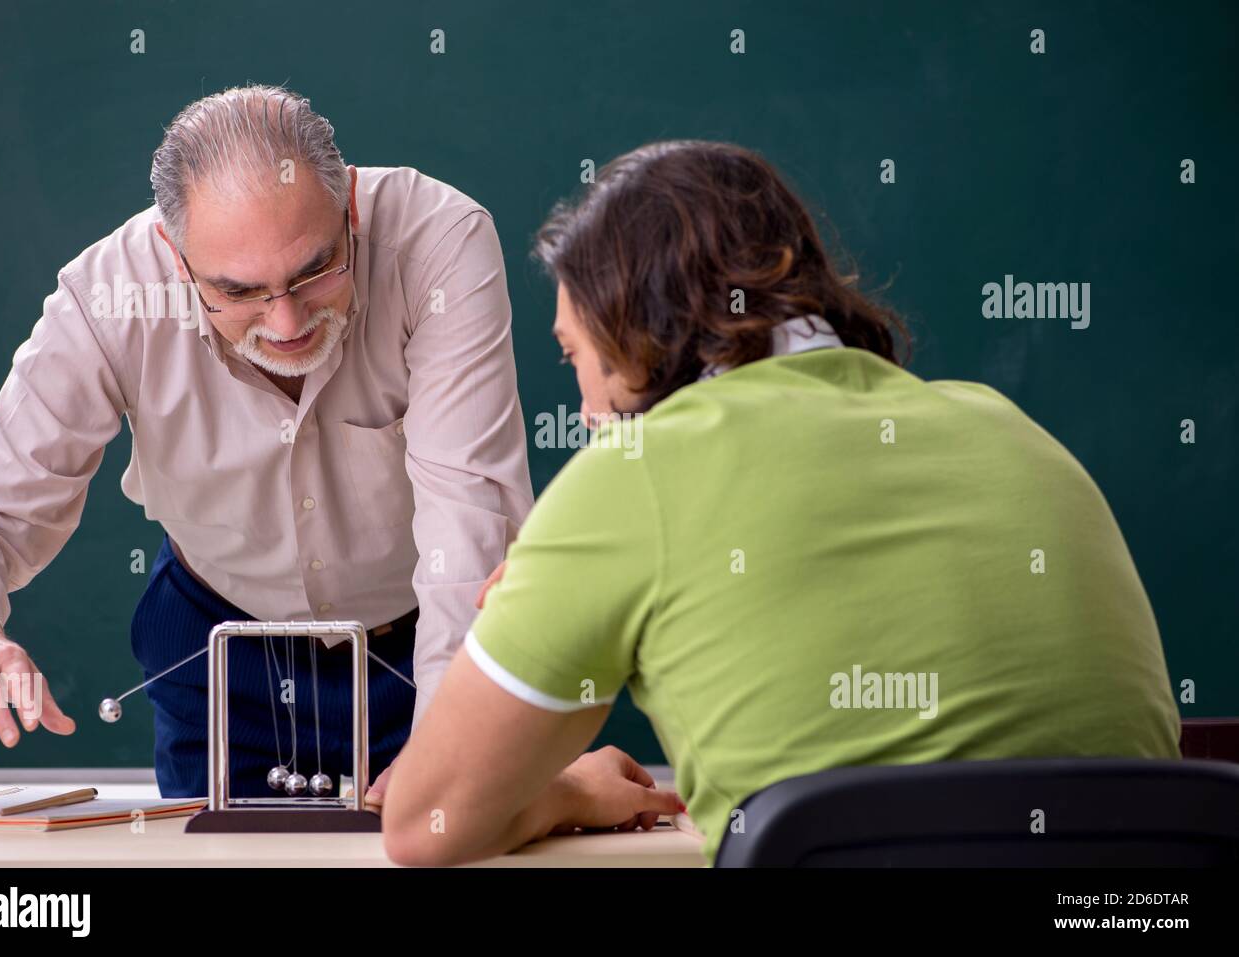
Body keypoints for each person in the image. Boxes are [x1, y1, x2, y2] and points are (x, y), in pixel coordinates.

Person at [381, 140, 1181, 865]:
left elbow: (423, 822)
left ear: (629, 329)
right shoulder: (1015, 431)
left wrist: (569, 791)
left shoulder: (636, 469)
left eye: (576, 355)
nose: (586, 409)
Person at [0, 84, 543, 800]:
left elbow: (468, 523)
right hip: (217, 646)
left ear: (349, 206)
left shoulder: (439, 241)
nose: (286, 323)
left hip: (429, 638)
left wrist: (449, 743)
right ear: (174, 254)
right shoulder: (107, 296)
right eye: (239, 292)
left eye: (315, 271)